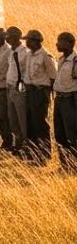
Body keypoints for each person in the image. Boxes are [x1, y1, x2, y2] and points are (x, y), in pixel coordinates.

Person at [10, 29, 57, 165]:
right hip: (29, 90)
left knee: (40, 123)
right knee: (30, 122)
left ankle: (44, 154)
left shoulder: (46, 56)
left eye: (29, 40)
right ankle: (33, 152)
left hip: (40, 91)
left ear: (36, 41)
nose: (26, 42)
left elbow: (53, 77)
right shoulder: (30, 55)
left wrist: (48, 96)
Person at [52, 33, 77, 172]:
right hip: (59, 99)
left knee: (72, 133)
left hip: (70, 100)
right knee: (59, 133)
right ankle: (64, 165)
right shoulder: (62, 59)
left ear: (69, 43)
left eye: (60, 41)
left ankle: (73, 165)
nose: (57, 44)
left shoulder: (75, 60)